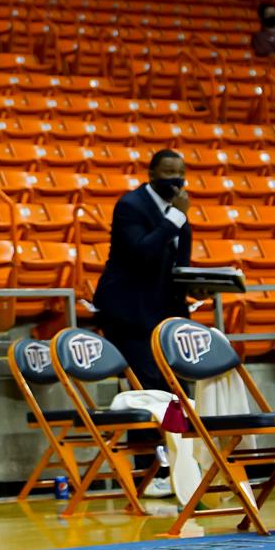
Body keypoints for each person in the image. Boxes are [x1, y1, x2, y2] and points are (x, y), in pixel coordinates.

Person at [92, 150, 193, 404]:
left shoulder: (178, 211)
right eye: (168, 172)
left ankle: (178, 433)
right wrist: (176, 217)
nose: (176, 178)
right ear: (151, 174)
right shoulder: (131, 206)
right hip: (130, 312)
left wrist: (196, 288)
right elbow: (143, 252)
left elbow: (179, 264)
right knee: (149, 389)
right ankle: (144, 433)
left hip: (164, 313)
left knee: (178, 390)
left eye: (180, 173)